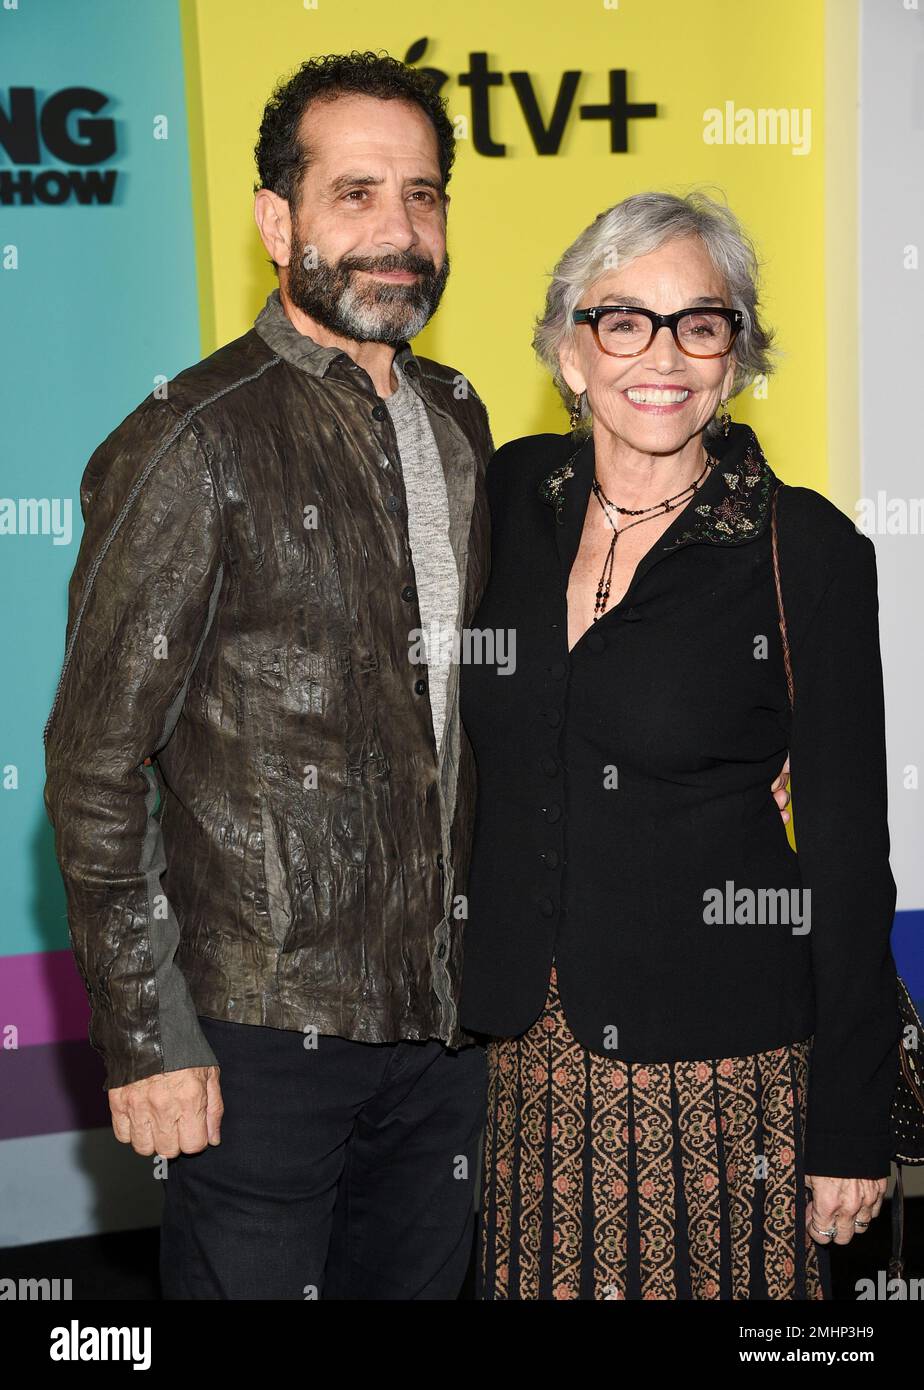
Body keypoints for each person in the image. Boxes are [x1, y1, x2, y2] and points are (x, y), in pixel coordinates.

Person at [42, 55, 793, 1301]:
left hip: (450, 1037)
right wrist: (148, 1035)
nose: (399, 231)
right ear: (277, 220)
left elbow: (515, 693)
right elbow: (93, 765)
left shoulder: (461, 419)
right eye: (357, 193)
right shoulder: (190, 436)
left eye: (425, 195)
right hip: (258, 1032)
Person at [458, 189, 902, 1301]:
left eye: (700, 323)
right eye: (625, 320)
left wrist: (851, 1122)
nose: (664, 355)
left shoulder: (805, 548)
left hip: (722, 1071)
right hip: (527, 1063)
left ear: (736, 353)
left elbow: (848, 860)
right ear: (570, 350)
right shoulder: (511, 495)